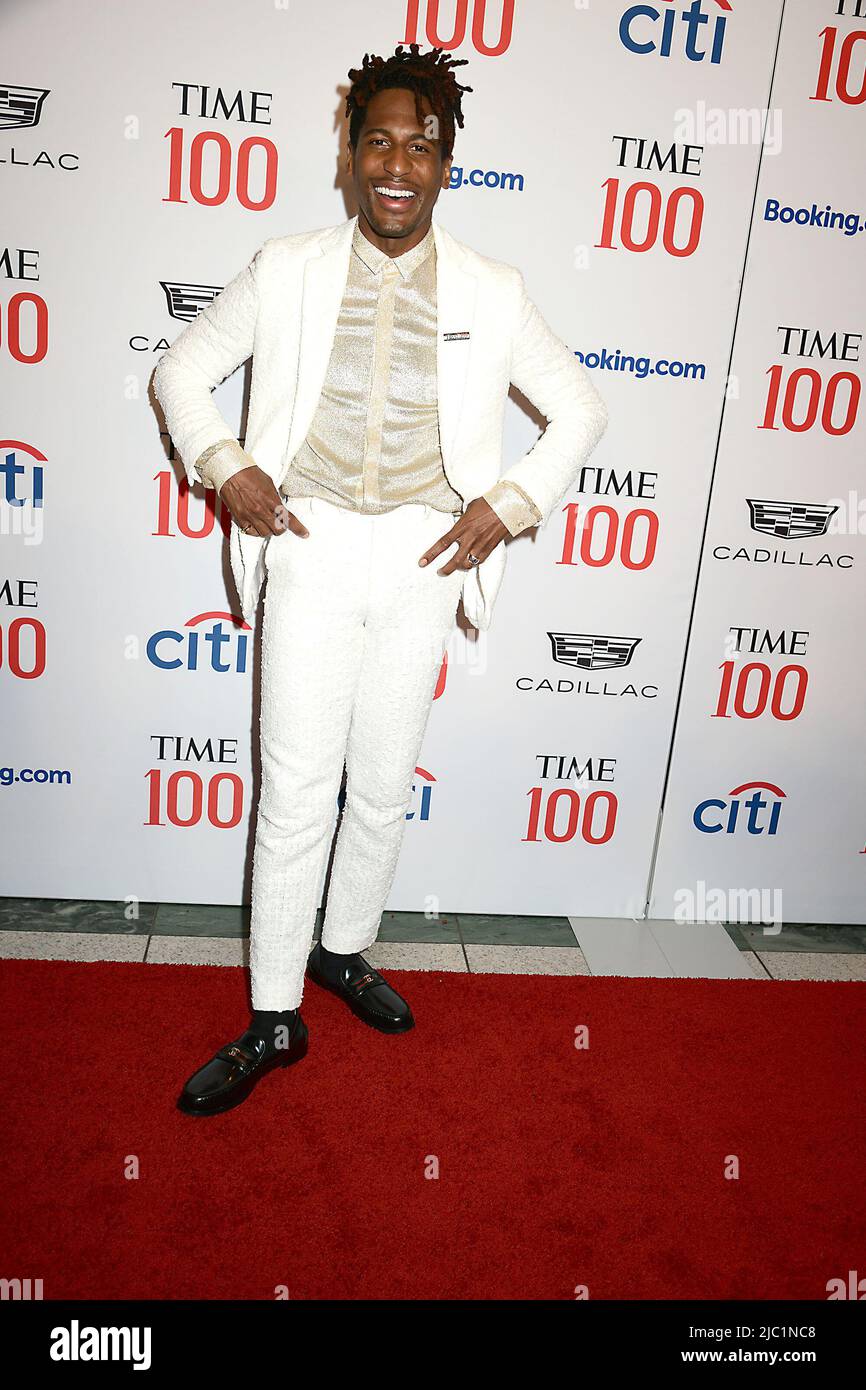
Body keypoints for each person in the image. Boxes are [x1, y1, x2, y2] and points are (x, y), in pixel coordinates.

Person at [153, 43, 608, 1117]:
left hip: (421, 554)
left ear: (446, 162)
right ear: (349, 153)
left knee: (385, 784)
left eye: (422, 144)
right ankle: (273, 1012)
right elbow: (180, 372)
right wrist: (227, 467)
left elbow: (578, 408)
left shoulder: (493, 292)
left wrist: (512, 500)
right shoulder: (289, 267)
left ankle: (344, 948)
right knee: (299, 788)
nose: (399, 163)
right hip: (308, 549)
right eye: (379, 141)